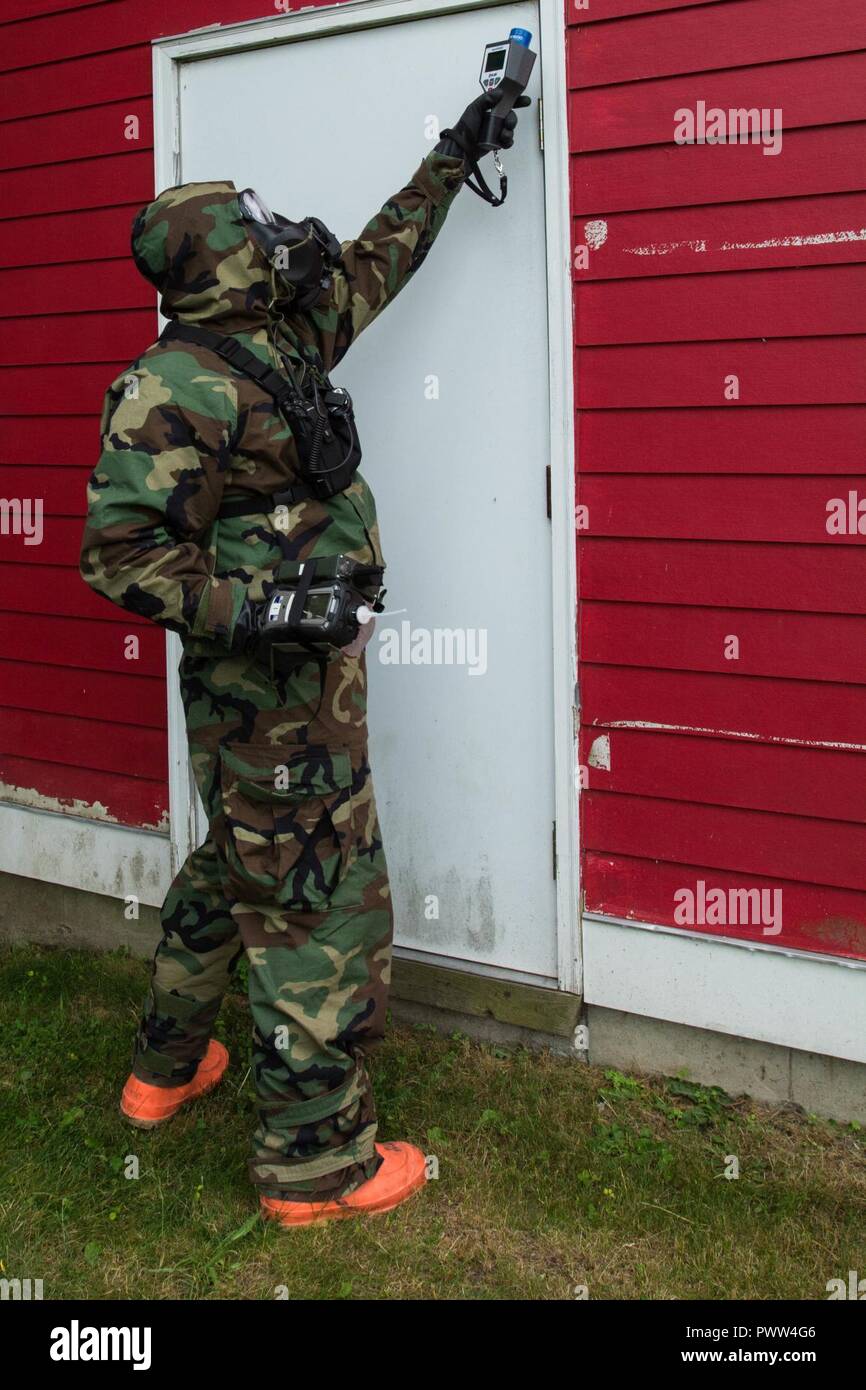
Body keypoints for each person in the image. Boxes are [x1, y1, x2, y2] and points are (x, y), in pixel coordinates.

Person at [79, 93, 527, 1227]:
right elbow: (118, 557)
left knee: (234, 862)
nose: (275, 228)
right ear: (214, 260)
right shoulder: (166, 391)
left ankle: (163, 1069)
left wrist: (457, 147)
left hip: (309, 683)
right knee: (310, 905)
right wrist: (269, 606)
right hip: (264, 696)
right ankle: (313, 1164)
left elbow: (381, 253)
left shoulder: (277, 342)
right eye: (251, 219)